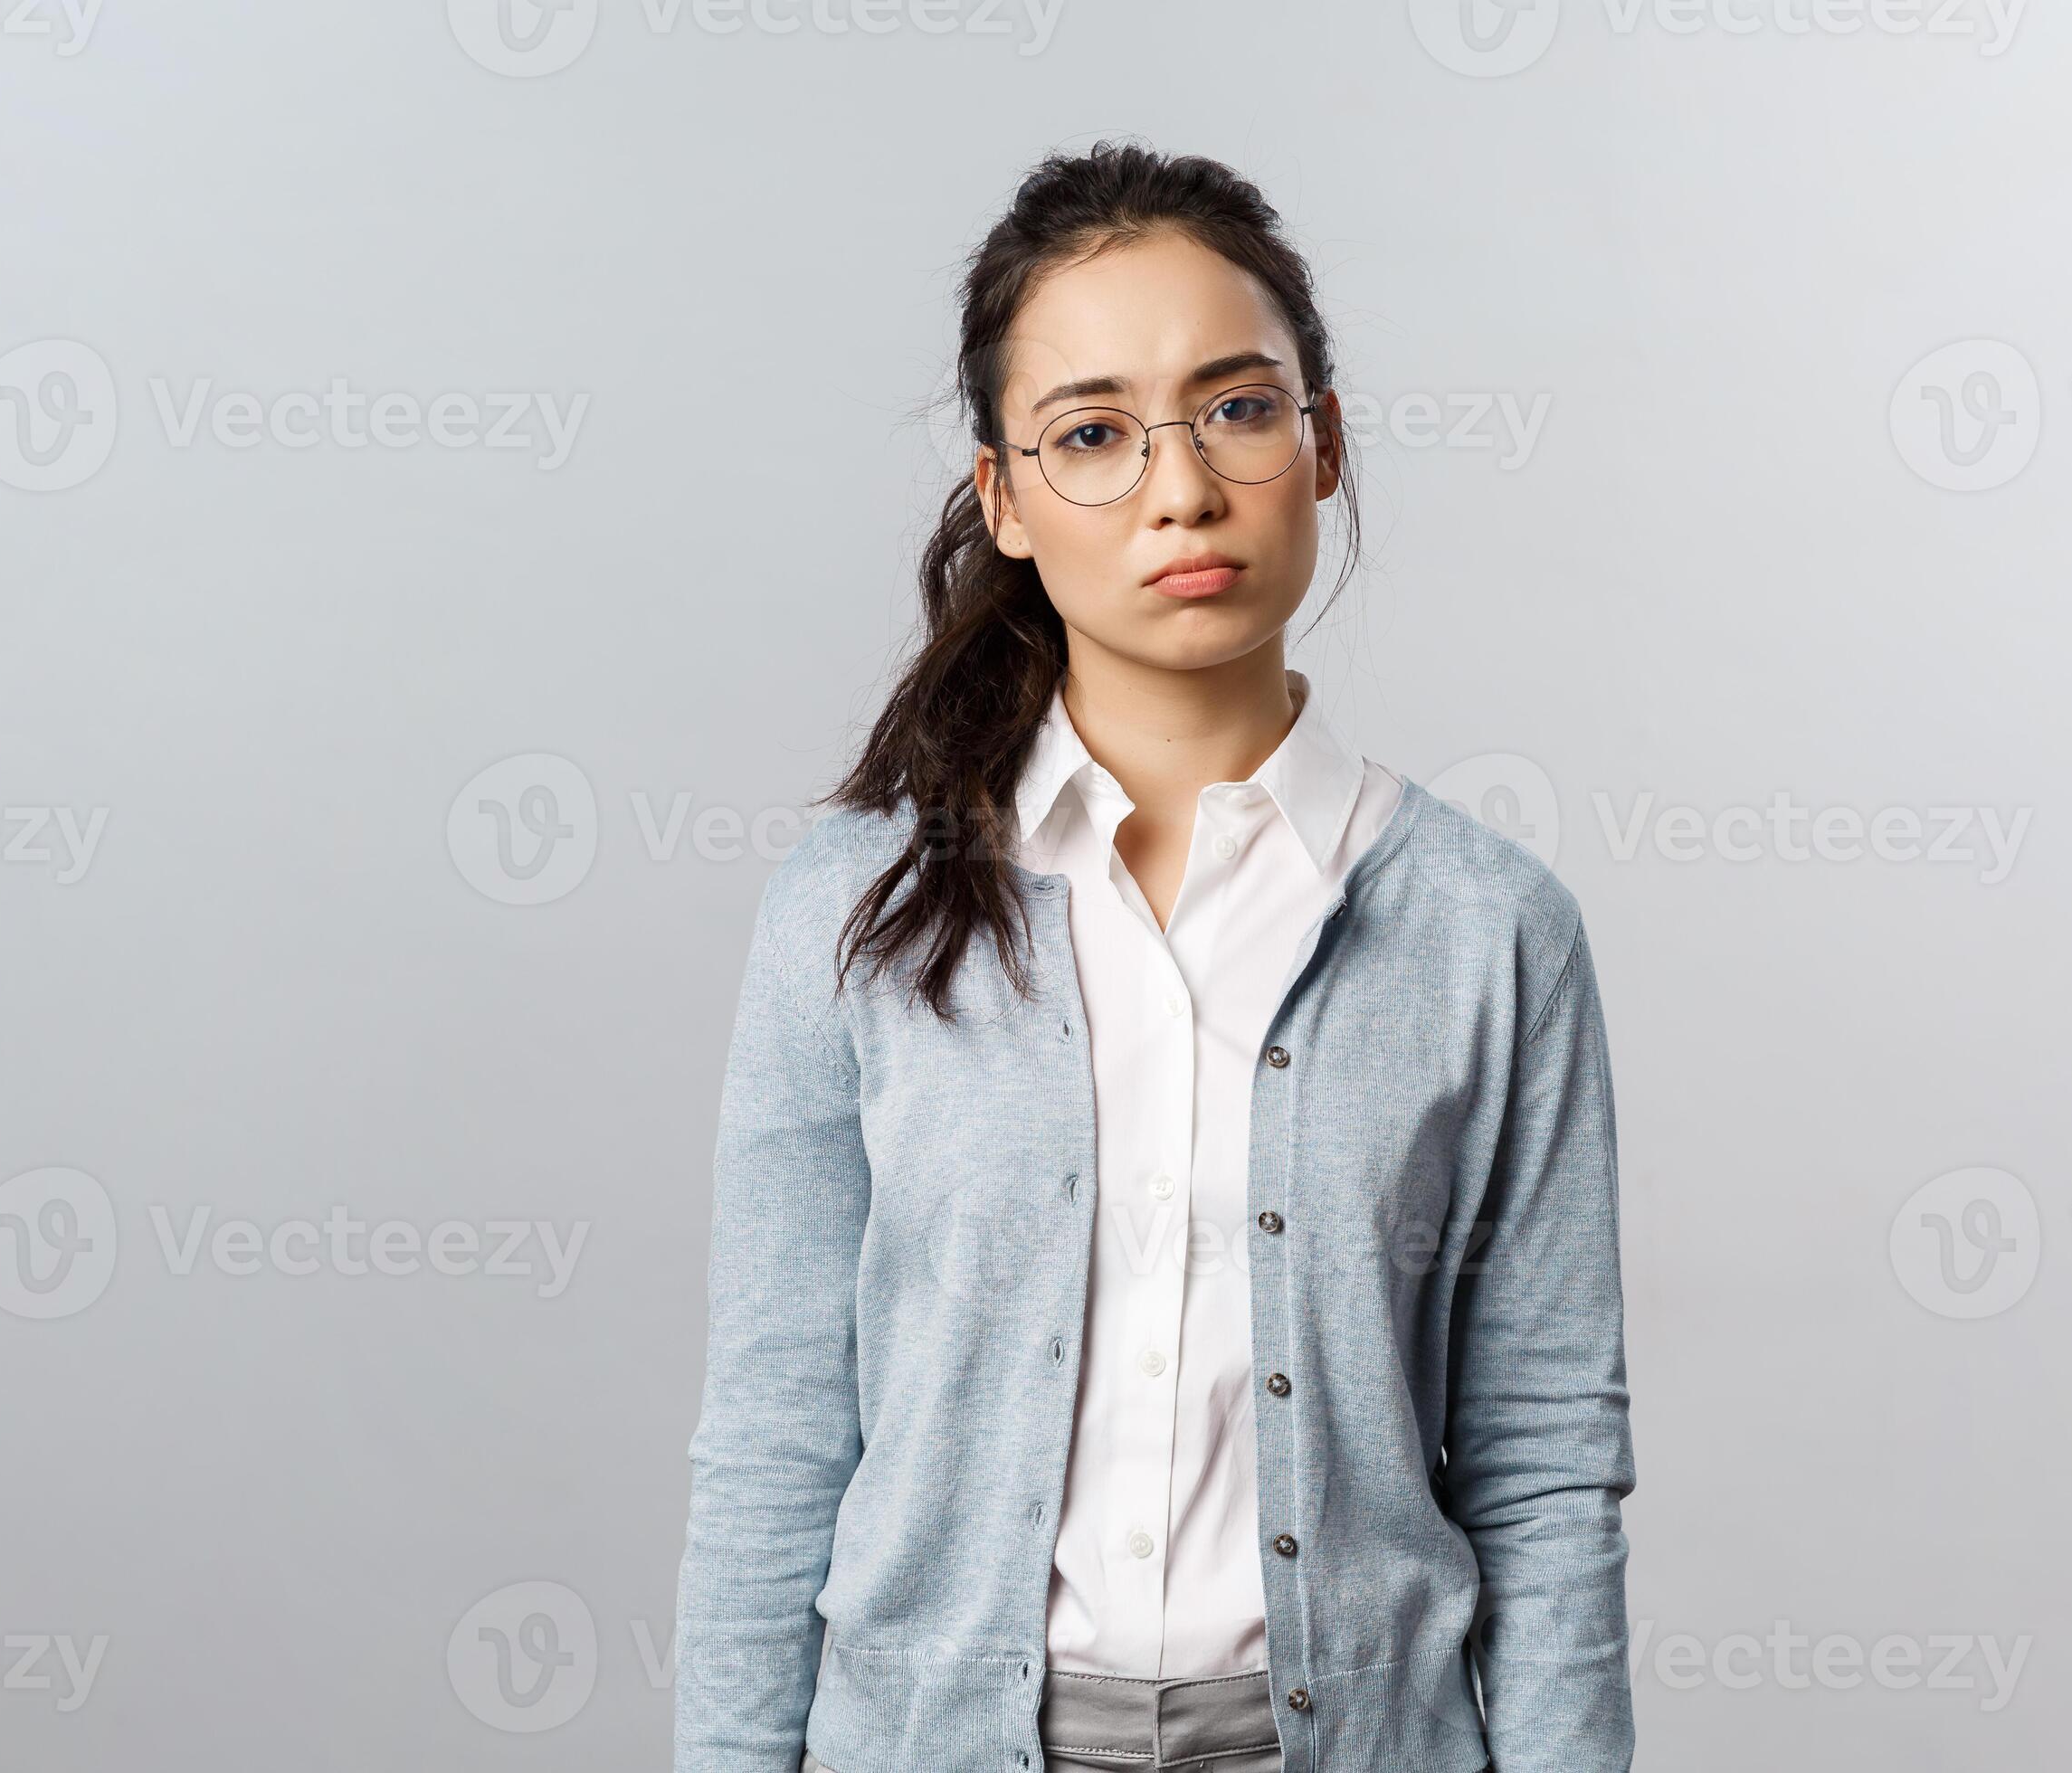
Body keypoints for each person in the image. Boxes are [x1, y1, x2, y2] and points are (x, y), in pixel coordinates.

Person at [674, 139, 1635, 1773]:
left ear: (1321, 445)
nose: (1181, 487)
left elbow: (1546, 1465)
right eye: (1095, 436)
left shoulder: (1491, 928)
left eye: (1238, 408)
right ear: (1005, 500)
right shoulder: (856, 911)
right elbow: (774, 1435)